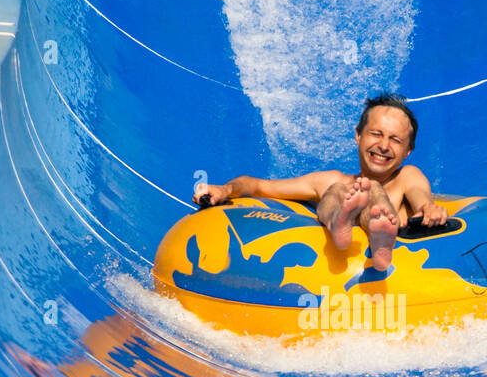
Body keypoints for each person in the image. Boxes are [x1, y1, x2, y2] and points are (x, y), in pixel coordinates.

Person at [192, 94, 448, 270]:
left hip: (396, 261)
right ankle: (340, 219)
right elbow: (258, 186)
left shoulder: (406, 176)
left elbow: (420, 196)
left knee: (372, 193)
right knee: (339, 188)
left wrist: (429, 208)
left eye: (395, 140)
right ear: (358, 136)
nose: (383, 145)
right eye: (376, 134)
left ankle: (379, 234)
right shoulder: (331, 180)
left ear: (408, 152)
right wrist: (224, 189)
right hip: (340, 222)